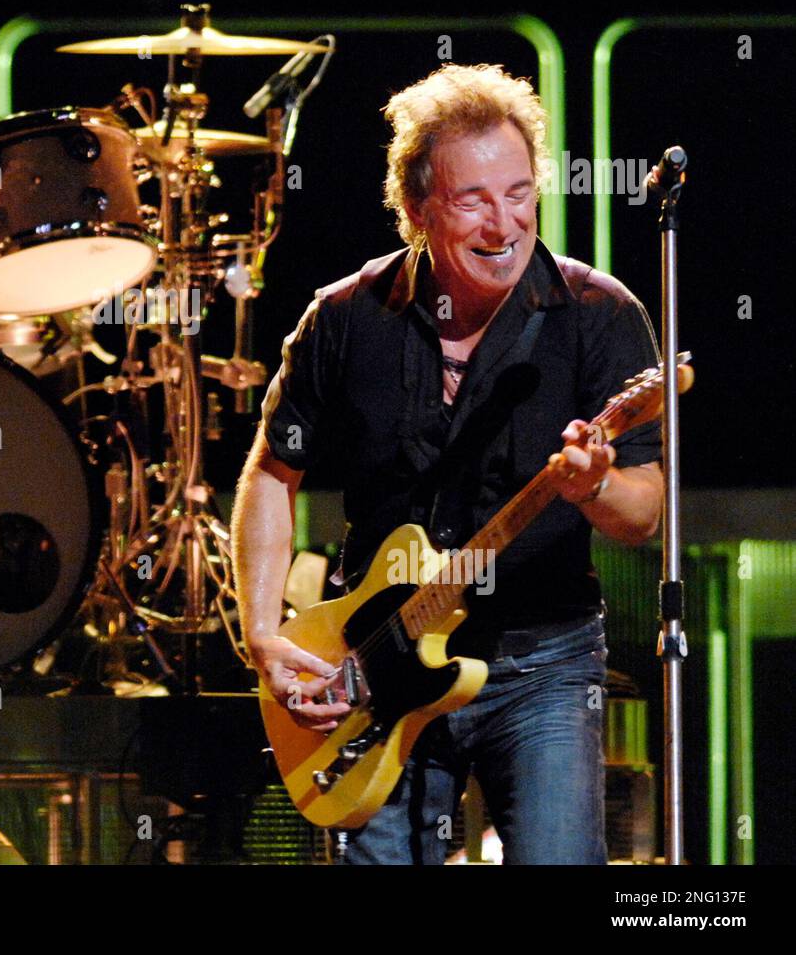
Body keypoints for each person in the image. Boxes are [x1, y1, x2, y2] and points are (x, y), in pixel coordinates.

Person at [232, 63, 664, 864]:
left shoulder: (599, 314)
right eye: (474, 199)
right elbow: (269, 473)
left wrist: (594, 483)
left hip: (542, 661)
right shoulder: (344, 316)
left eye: (519, 193)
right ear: (419, 207)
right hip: (370, 659)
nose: (504, 224)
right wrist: (261, 630)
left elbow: (643, 512)